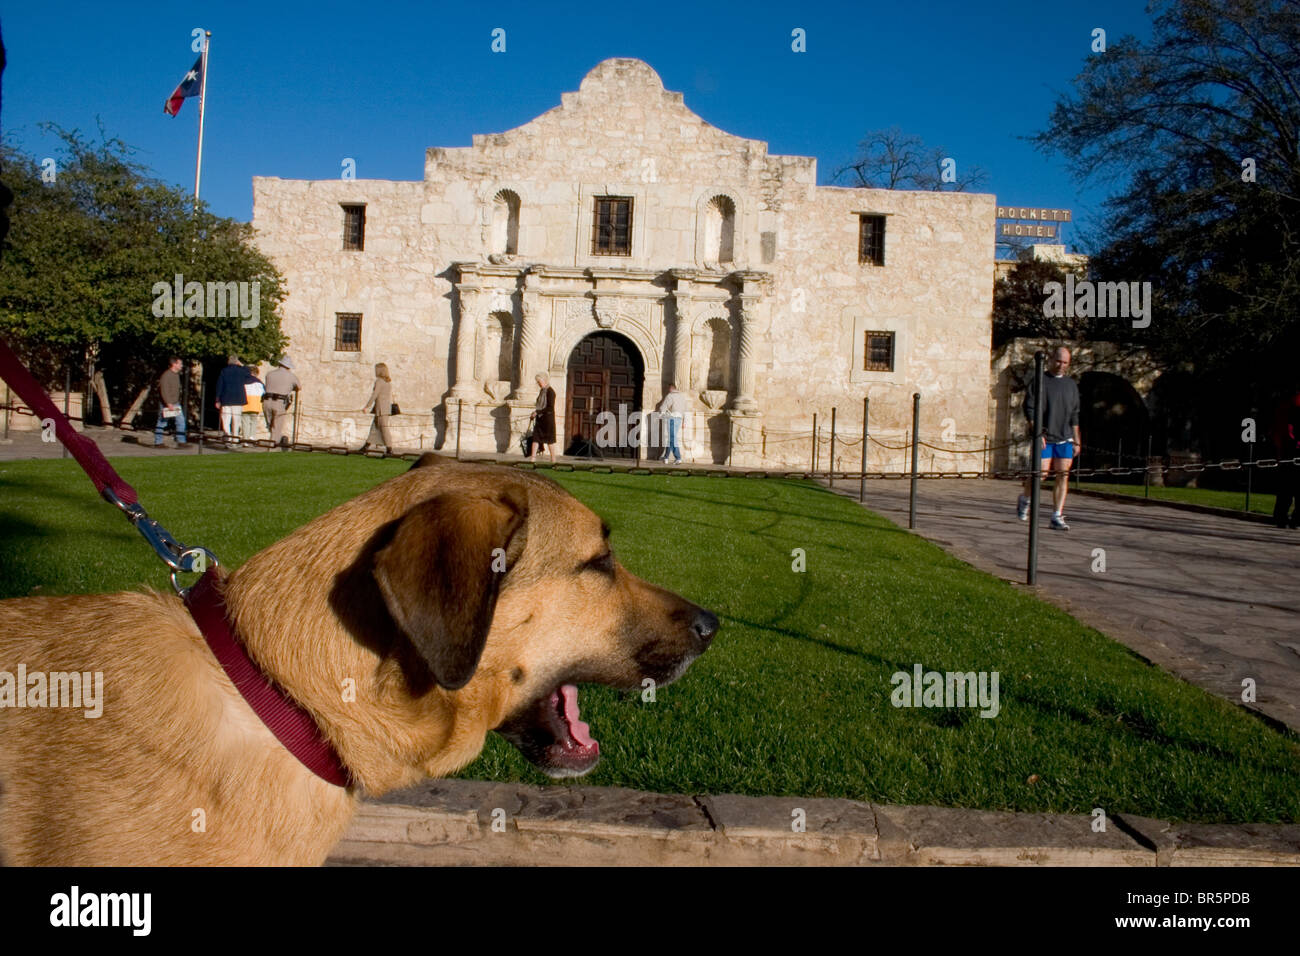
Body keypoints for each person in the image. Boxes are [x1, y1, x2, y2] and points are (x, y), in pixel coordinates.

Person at [1017, 346, 1081, 530]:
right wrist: (1037, 432)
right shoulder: (1040, 381)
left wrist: (1076, 439)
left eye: (1065, 362)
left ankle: (1057, 515)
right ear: (1052, 359)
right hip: (1044, 436)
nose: (1061, 365)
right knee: (1041, 474)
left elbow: (1074, 414)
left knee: (1063, 475)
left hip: (1065, 438)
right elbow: (1029, 408)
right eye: (1058, 361)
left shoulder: (1071, 385)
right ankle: (1025, 498)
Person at [1270, 386, 1300, 529]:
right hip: (1289, 451)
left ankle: (1291, 519)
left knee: (1287, 489)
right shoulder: (1285, 408)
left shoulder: (1287, 408)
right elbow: (1280, 432)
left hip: (1293, 450)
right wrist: (1279, 454)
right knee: (1286, 489)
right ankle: (1281, 517)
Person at [263, 356, 300, 448]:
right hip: (279, 402)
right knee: (277, 427)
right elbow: (299, 387)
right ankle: (272, 448)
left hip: (266, 401)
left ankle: (272, 443)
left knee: (270, 426)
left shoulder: (269, 374)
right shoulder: (291, 376)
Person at [153, 357, 187, 447]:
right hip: (167, 403)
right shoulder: (166, 375)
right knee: (162, 422)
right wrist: (168, 403)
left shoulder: (176, 375)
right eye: (180, 364)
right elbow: (164, 390)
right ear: (174, 364)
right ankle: (158, 442)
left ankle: (181, 441)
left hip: (175, 402)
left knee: (181, 421)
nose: (181, 366)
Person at [362, 363, 396, 453]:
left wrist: (367, 406)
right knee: (374, 427)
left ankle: (389, 448)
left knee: (384, 428)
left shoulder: (379, 381)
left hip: (381, 409)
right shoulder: (387, 382)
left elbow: (375, 395)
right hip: (384, 409)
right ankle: (366, 446)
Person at [214, 355, 246, 443]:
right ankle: (235, 438)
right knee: (236, 420)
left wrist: (217, 399)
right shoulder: (241, 371)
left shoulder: (224, 371)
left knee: (226, 419)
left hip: (226, 398)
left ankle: (227, 436)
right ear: (237, 362)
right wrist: (242, 364)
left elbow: (219, 385)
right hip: (238, 399)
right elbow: (248, 373)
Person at [528, 372, 556, 463]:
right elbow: (539, 405)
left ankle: (553, 459)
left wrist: (537, 412)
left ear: (544, 380)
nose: (538, 383)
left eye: (539, 381)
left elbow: (550, 407)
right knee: (536, 438)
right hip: (540, 419)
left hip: (548, 420)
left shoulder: (551, 392)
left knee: (549, 440)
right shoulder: (542, 391)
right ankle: (533, 458)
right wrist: (535, 413)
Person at [657, 384, 688, 464]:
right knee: (672, 438)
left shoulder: (670, 396)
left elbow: (664, 406)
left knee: (672, 438)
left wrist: (660, 415)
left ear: (671, 388)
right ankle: (666, 457)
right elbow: (685, 410)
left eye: (669, 389)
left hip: (672, 418)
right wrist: (684, 422)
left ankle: (678, 458)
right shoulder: (682, 397)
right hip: (679, 419)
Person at [242, 365, 264, 442]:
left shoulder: (244, 381)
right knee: (254, 421)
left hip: (245, 404)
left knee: (245, 422)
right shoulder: (259, 382)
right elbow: (263, 393)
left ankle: (245, 439)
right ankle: (252, 436)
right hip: (256, 404)